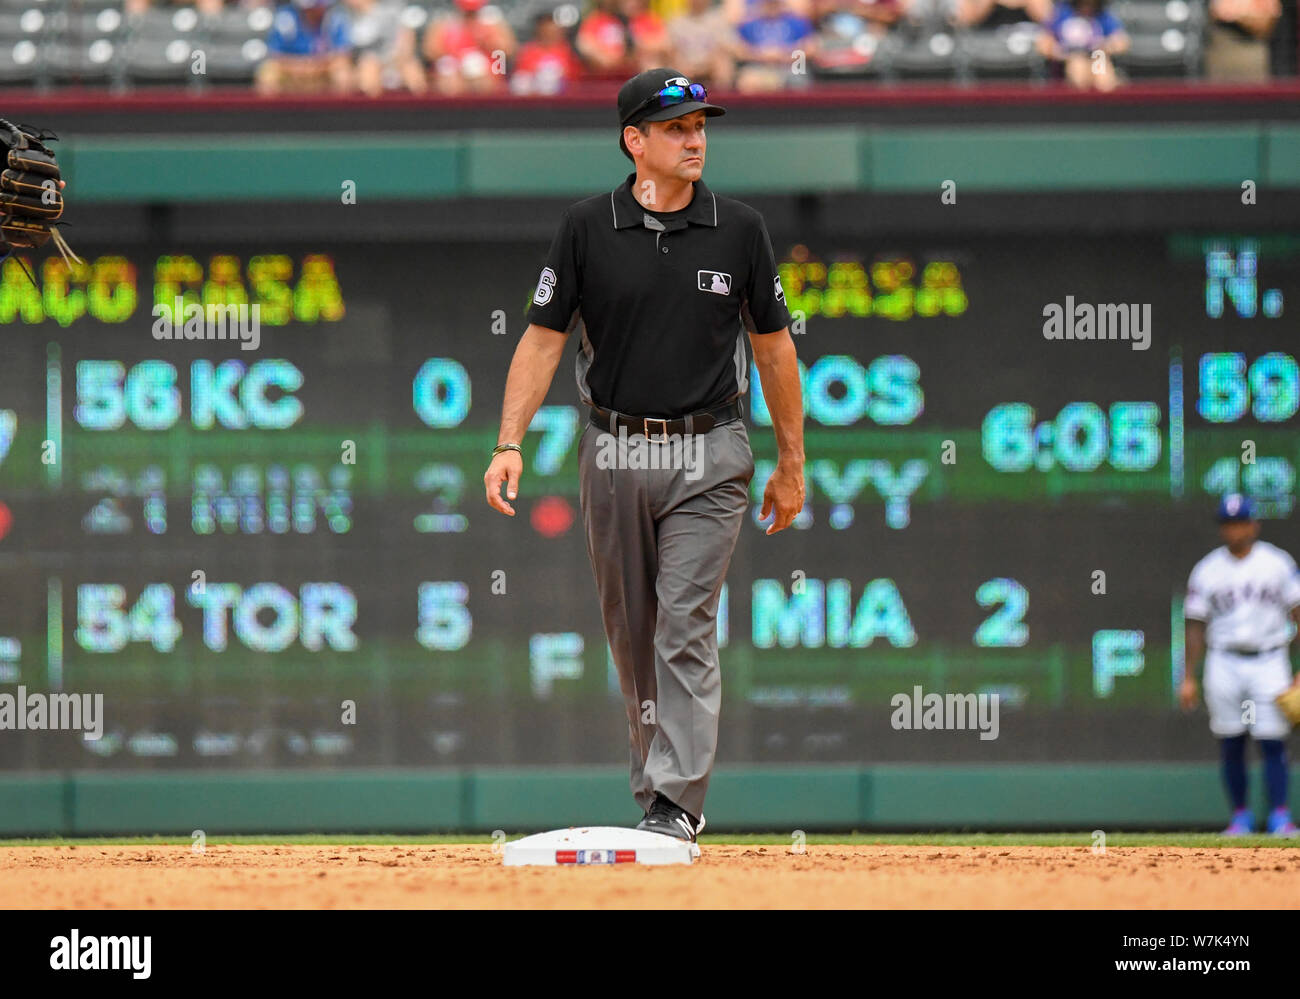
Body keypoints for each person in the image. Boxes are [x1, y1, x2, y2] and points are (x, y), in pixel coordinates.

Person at [483, 68, 805, 843]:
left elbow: (774, 349)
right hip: (614, 448)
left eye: (701, 126)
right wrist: (508, 441)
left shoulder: (741, 229)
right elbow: (543, 338)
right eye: (676, 128)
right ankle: (658, 800)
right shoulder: (588, 227)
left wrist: (792, 461)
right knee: (633, 633)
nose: (695, 139)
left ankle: (677, 802)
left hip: (712, 451)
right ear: (635, 141)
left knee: (683, 624)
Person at [1180, 494, 1300, 837]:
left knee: (1273, 740)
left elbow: (1298, 614)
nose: (1234, 530)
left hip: (1270, 658)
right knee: (1231, 739)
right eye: (1228, 524)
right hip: (1224, 659)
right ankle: (1241, 817)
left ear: (1254, 524)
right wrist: (1188, 676)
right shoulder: (1207, 569)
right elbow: (1195, 624)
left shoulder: (1277, 563)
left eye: (1240, 522)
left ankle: (1279, 815)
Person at [256, 0, 353, 96]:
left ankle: (338, 111)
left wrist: (316, 66)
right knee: (268, 73)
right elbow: (275, 55)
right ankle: (273, 111)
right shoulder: (285, 18)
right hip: (290, 70)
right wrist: (300, 67)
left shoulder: (335, 17)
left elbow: (342, 56)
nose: (316, 11)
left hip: (323, 69)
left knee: (343, 73)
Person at [422, 0, 517, 95]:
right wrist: (453, 52)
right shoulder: (445, 23)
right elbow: (430, 51)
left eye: (473, 12)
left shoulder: (491, 22)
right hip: (453, 67)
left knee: (481, 76)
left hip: (485, 69)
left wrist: (488, 41)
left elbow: (508, 50)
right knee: (449, 77)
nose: (470, 16)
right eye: (467, 12)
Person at [1036, 0, 1128, 91]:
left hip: (1096, 56)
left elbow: (1121, 42)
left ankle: (1106, 101)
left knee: (1102, 69)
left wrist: (1105, 46)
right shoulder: (1061, 13)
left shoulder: (1103, 15)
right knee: (1078, 66)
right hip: (1069, 58)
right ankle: (1081, 101)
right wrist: (1060, 53)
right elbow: (1044, 44)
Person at [341, 0, 426, 95]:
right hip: (364, 62)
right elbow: (345, 50)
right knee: (368, 67)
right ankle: (371, 107)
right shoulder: (343, 16)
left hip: (394, 58)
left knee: (411, 68)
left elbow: (406, 37)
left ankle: (421, 106)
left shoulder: (392, 10)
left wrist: (397, 59)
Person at [734, 0, 817, 91]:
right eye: (768, 3)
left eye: (774, 3)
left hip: (789, 66)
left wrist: (784, 55)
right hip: (758, 67)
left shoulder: (797, 22)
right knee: (748, 80)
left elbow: (810, 49)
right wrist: (761, 55)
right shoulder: (749, 24)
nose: (771, 6)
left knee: (798, 80)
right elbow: (739, 51)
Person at [666, 0, 740, 87]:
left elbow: (730, 47)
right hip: (685, 66)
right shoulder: (676, 22)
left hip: (711, 66)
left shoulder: (719, 21)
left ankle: (722, 98)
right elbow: (670, 50)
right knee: (674, 62)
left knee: (723, 63)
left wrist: (706, 66)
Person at [1203, 0, 1281, 83]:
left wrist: (1236, 16)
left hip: (1249, 52)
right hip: (1221, 50)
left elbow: (1265, 25)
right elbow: (1212, 14)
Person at [511, 12, 584, 93]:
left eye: (552, 28)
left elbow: (574, 77)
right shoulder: (528, 51)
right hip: (534, 94)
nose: (549, 31)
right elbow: (522, 77)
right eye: (546, 28)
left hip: (564, 95)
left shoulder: (569, 50)